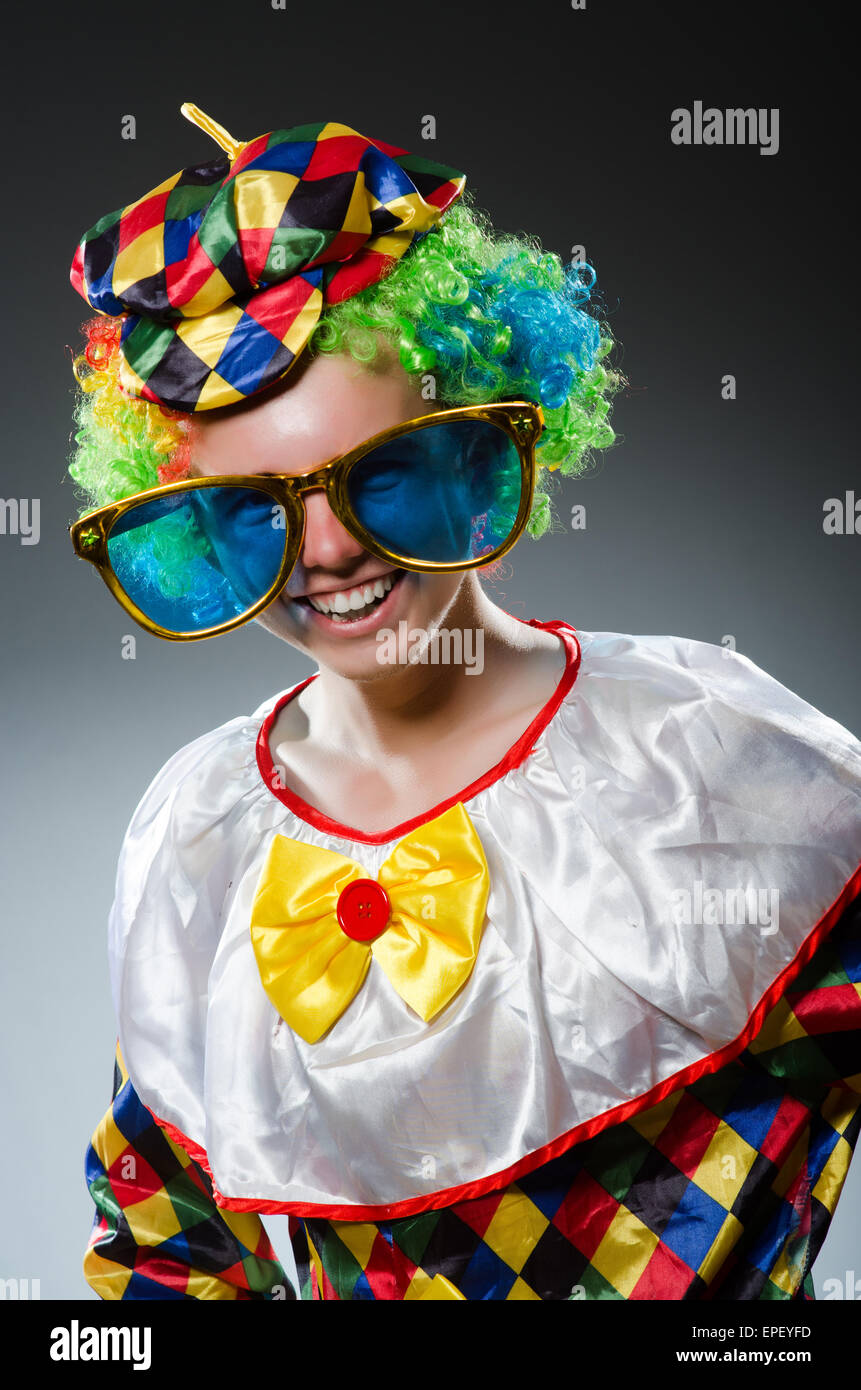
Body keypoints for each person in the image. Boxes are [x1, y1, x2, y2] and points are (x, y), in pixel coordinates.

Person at [67, 104, 861, 1301]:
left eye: (384, 472)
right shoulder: (200, 834)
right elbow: (164, 1246)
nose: (327, 552)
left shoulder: (699, 748)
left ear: (487, 445)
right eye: (254, 509)